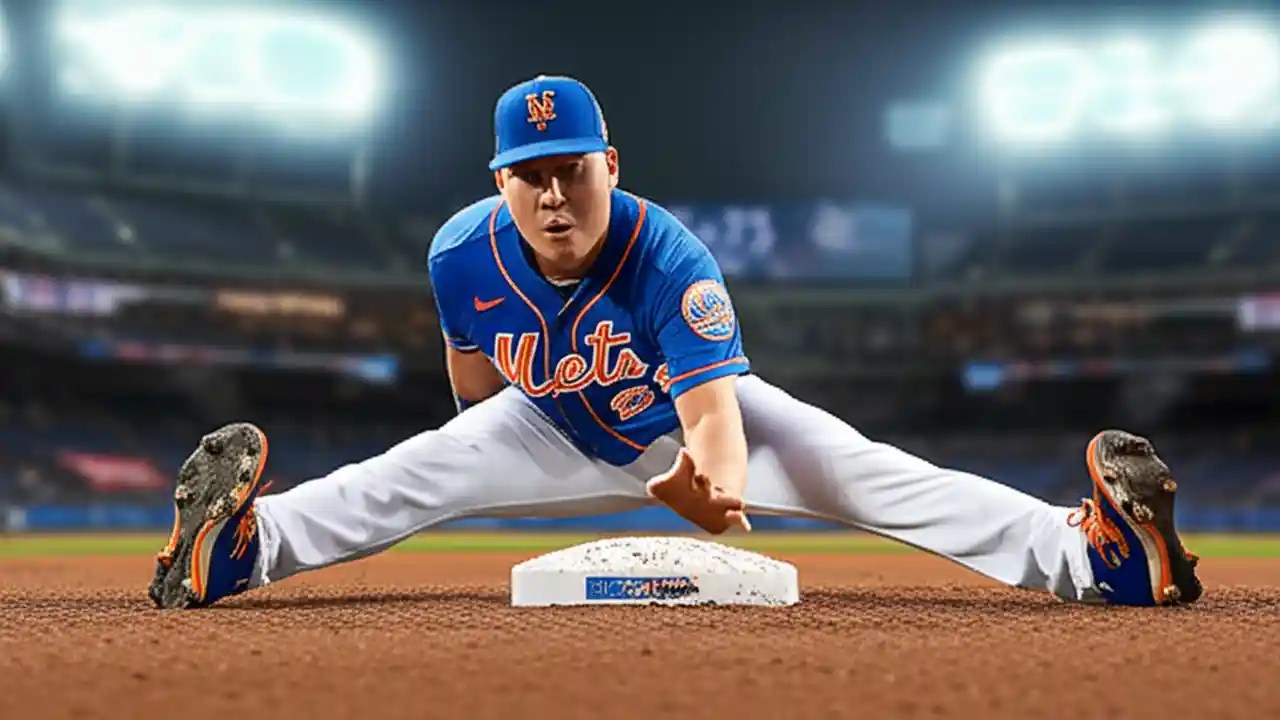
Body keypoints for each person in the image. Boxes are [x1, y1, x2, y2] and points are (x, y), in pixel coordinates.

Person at [148, 75, 1200, 610]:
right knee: (403, 473)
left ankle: (1095, 562)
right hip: (546, 423)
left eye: (572, 166)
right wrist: (481, 446)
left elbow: (712, 412)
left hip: (681, 434)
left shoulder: (670, 259)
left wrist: (717, 489)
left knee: (877, 476)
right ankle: (236, 554)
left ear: (609, 161)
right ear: (498, 181)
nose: (554, 192)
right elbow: (467, 369)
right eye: (530, 172)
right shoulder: (457, 253)